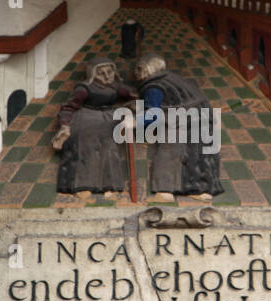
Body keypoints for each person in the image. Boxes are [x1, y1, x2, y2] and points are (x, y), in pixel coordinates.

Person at [134, 53, 224, 201]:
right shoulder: (174, 78)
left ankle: (165, 192)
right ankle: (201, 191)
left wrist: (134, 121)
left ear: (143, 70)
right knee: (199, 156)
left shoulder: (154, 86)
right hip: (204, 117)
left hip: (183, 122)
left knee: (167, 154)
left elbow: (153, 115)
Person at [52, 59, 136, 196]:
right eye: (100, 73)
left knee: (109, 150)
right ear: (92, 73)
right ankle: (82, 186)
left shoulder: (115, 86)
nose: (106, 76)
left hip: (107, 120)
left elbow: (132, 93)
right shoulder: (84, 88)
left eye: (109, 72)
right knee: (87, 150)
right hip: (86, 119)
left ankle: (110, 185)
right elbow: (69, 107)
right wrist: (64, 126)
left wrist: (132, 103)